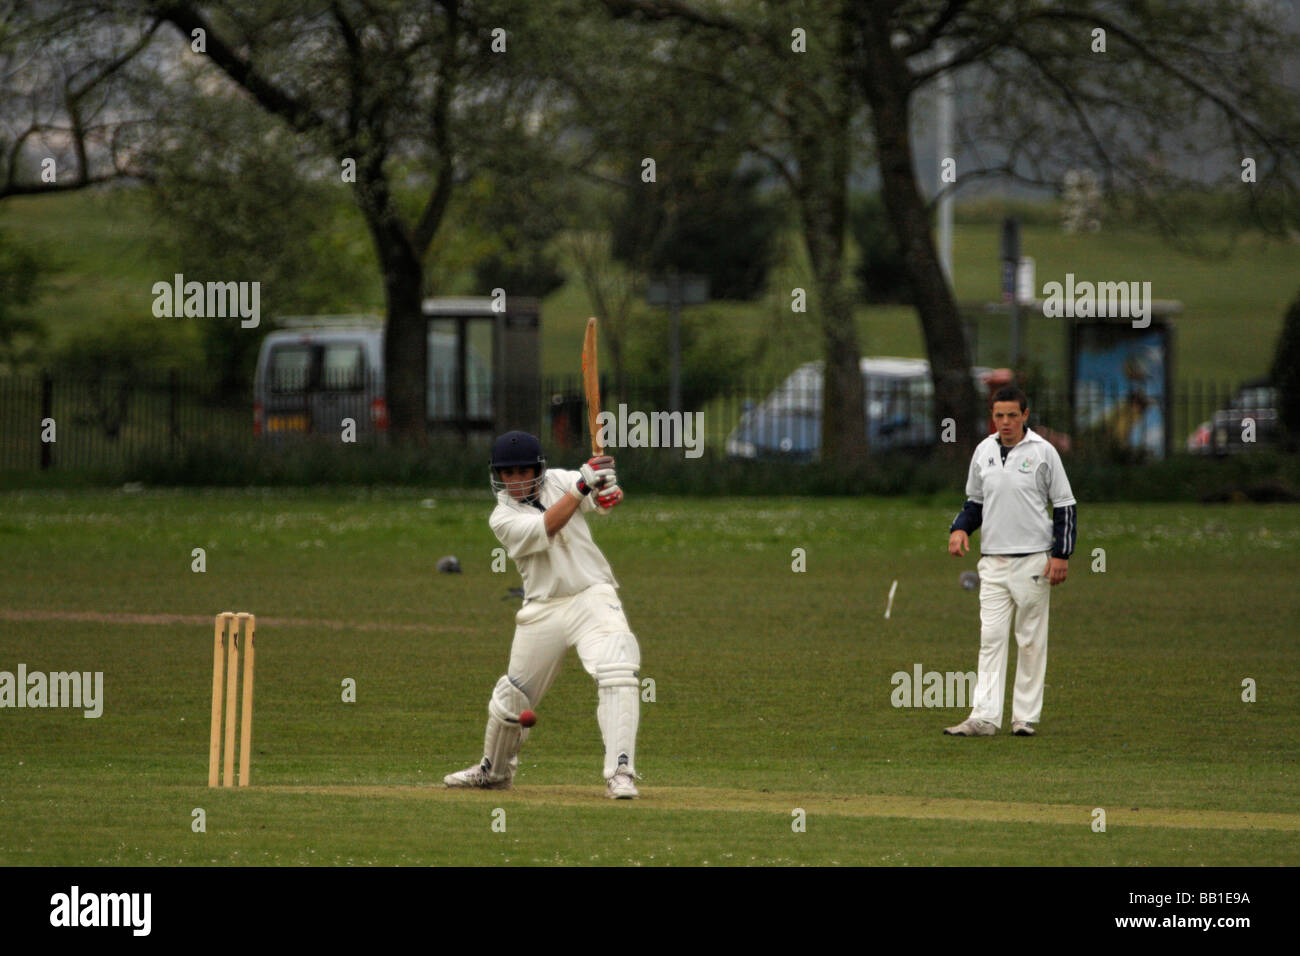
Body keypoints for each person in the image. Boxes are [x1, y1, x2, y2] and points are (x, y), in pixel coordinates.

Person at [444, 430, 642, 798]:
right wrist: (585, 485)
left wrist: (606, 489)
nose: (516, 480)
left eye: (523, 471)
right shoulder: (502, 516)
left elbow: (599, 501)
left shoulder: (560, 480)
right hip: (543, 607)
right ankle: (495, 772)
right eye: (508, 473)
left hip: (591, 594)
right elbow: (549, 523)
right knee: (511, 700)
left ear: (538, 468)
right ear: (498, 475)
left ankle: (620, 772)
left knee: (618, 670)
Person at [945, 386, 1076, 737]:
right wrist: (960, 530)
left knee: (1030, 639)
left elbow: (1064, 504)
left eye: (1012, 416)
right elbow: (975, 502)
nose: (1005, 422)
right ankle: (984, 717)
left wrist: (1061, 555)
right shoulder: (983, 451)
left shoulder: (1044, 452)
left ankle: (1024, 717)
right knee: (990, 637)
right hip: (993, 562)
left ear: (1025, 415)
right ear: (993, 416)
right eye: (999, 416)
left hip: (1033, 561)